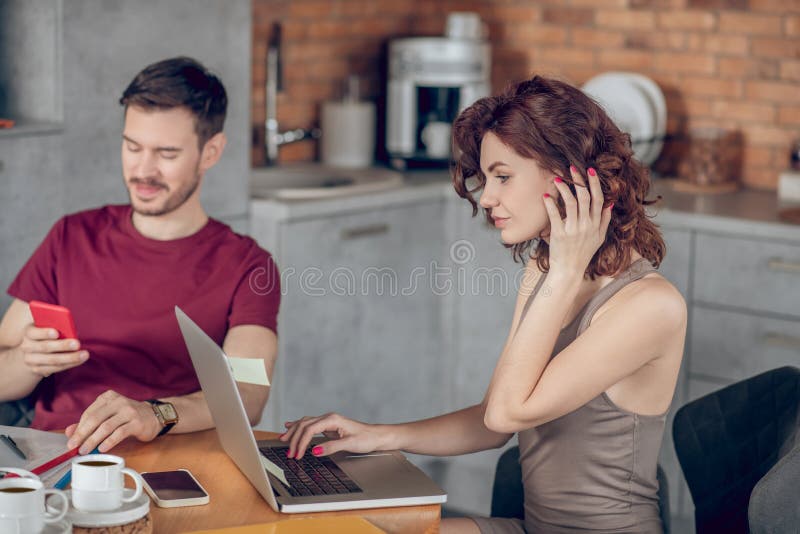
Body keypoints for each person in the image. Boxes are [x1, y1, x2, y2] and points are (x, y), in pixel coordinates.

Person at [280, 75, 687, 533]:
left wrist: (565, 272)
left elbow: (506, 413)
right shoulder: (545, 271)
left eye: (503, 177)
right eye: (487, 178)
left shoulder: (650, 306)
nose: (487, 198)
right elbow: (491, 425)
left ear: (569, 175)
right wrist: (379, 436)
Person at [0, 57, 280, 456]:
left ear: (211, 152)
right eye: (133, 147)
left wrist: (156, 414)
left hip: (174, 465)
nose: (143, 170)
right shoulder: (71, 237)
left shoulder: (249, 266)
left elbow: (249, 394)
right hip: (56, 455)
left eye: (166, 153)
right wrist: (27, 362)